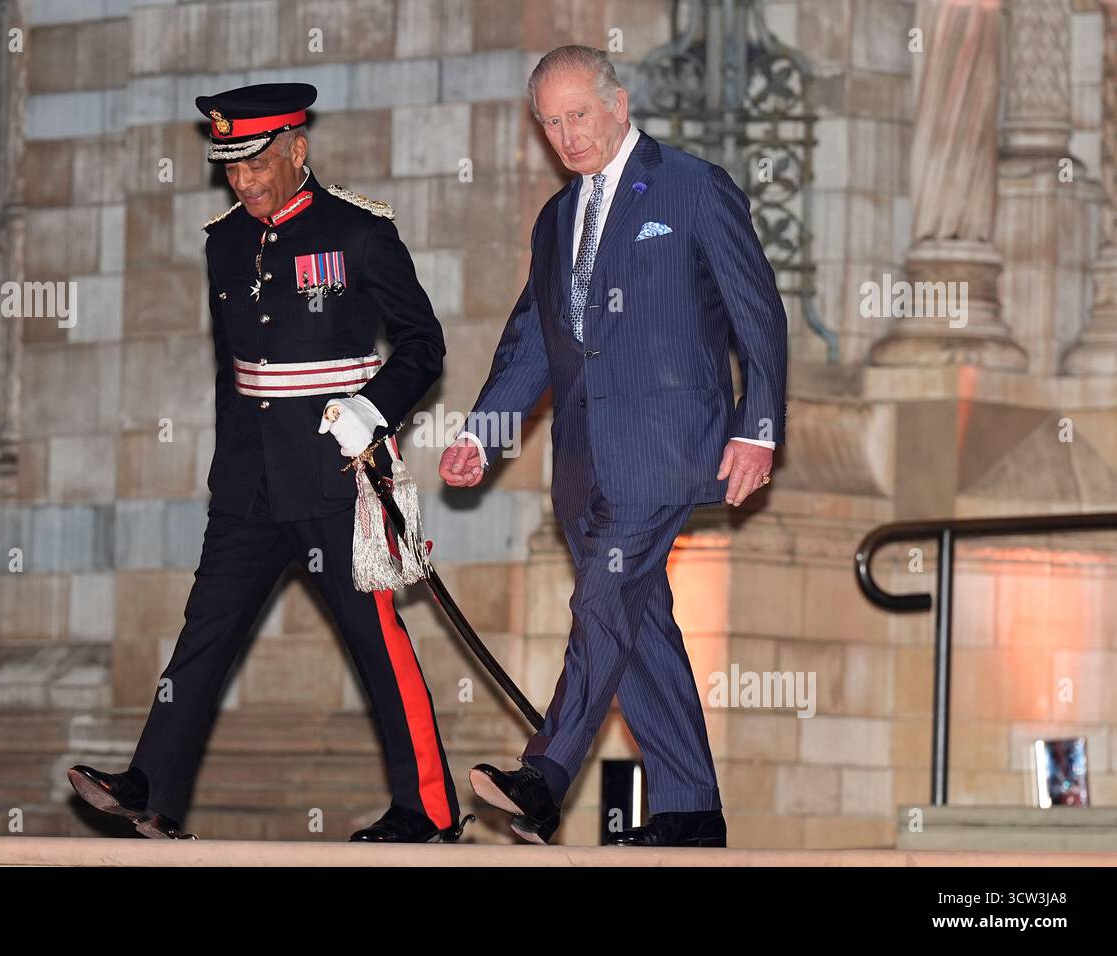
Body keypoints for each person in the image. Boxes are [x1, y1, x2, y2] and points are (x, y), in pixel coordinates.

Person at [68, 82, 467, 843]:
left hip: (335, 479)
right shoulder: (222, 241)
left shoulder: (359, 233)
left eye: (256, 164)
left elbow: (423, 345)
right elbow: (233, 371)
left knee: (377, 641)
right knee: (205, 629)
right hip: (249, 482)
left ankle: (430, 813)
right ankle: (153, 787)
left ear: (297, 150)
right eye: (231, 168)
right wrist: (228, 469)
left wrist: (371, 410)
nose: (244, 182)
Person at [439, 46, 788, 846]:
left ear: (619, 103)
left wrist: (758, 427)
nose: (567, 135)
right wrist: (483, 435)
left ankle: (545, 775)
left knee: (603, 599)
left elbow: (758, 317)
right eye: (551, 123)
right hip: (584, 459)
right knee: (638, 628)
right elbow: (532, 345)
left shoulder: (692, 188)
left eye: (579, 115)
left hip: (669, 444)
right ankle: (690, 813)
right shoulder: (558, 219)